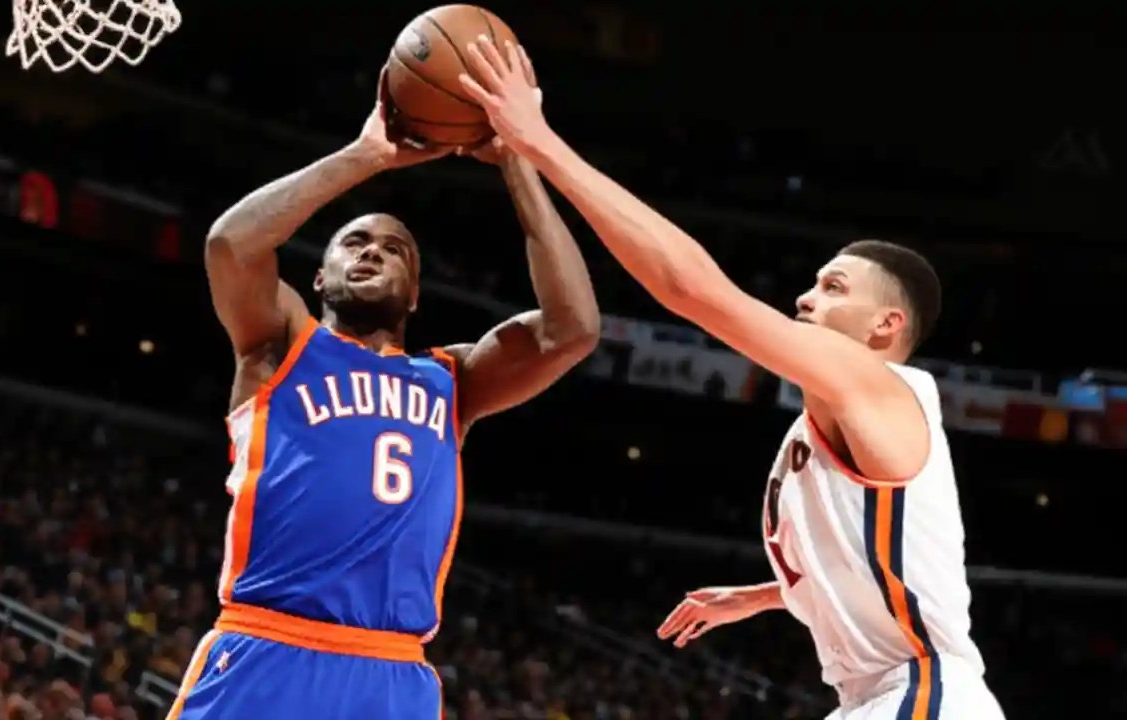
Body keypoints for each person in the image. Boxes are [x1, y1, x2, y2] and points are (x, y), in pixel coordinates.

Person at [459, 35, 1004, 720]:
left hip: (923, 694)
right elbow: (881, 569)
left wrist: (540, 143)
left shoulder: (876, 384)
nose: (805, 300)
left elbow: (691, 289)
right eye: (812, 285)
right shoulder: (825, 429)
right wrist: (766, 594)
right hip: (882, 697)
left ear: (884, 328)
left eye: (833, 288)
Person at [167, 69, 600, 720]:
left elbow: (573, 329)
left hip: (391, 673)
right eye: (354, 244)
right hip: (269, 646)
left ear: (416, 292)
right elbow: (230, 245)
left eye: (393, 249)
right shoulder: (280, 346)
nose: (371, 254)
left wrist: (517, 161)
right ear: (319, 275)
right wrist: (365, 157)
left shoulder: (452, 381)